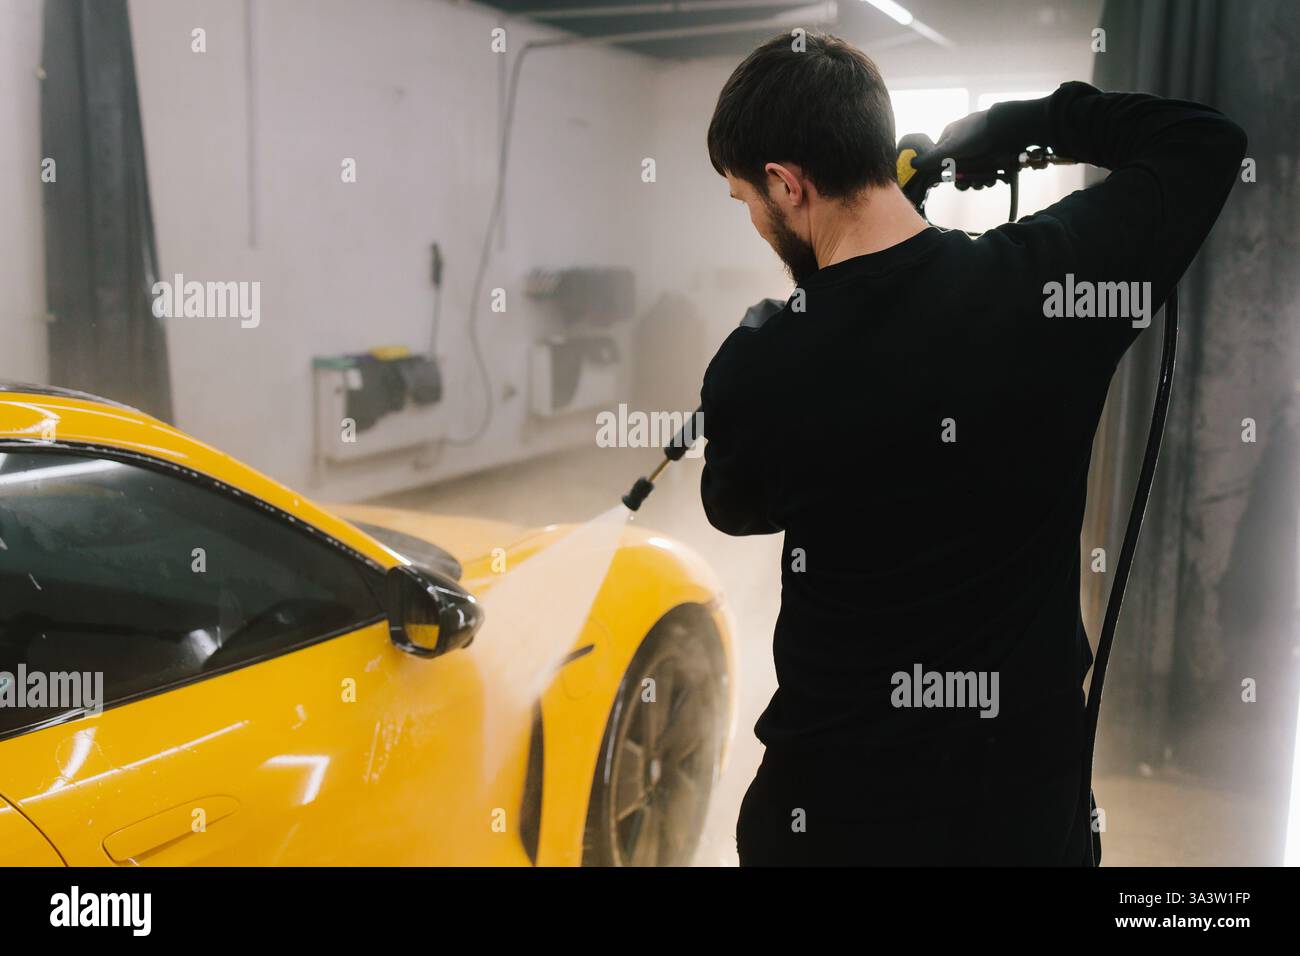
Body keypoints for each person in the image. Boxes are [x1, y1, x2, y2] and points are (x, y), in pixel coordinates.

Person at [700, 32, 1246, 865]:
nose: (754, 221)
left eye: (747, 201)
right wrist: (1023, 121)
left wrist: (774, 330)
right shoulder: (1051, 288)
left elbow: (733, 506)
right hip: (1023, 812)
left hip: (835, 817)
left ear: (787, 183)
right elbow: (1203, 141)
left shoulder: (759, 370)